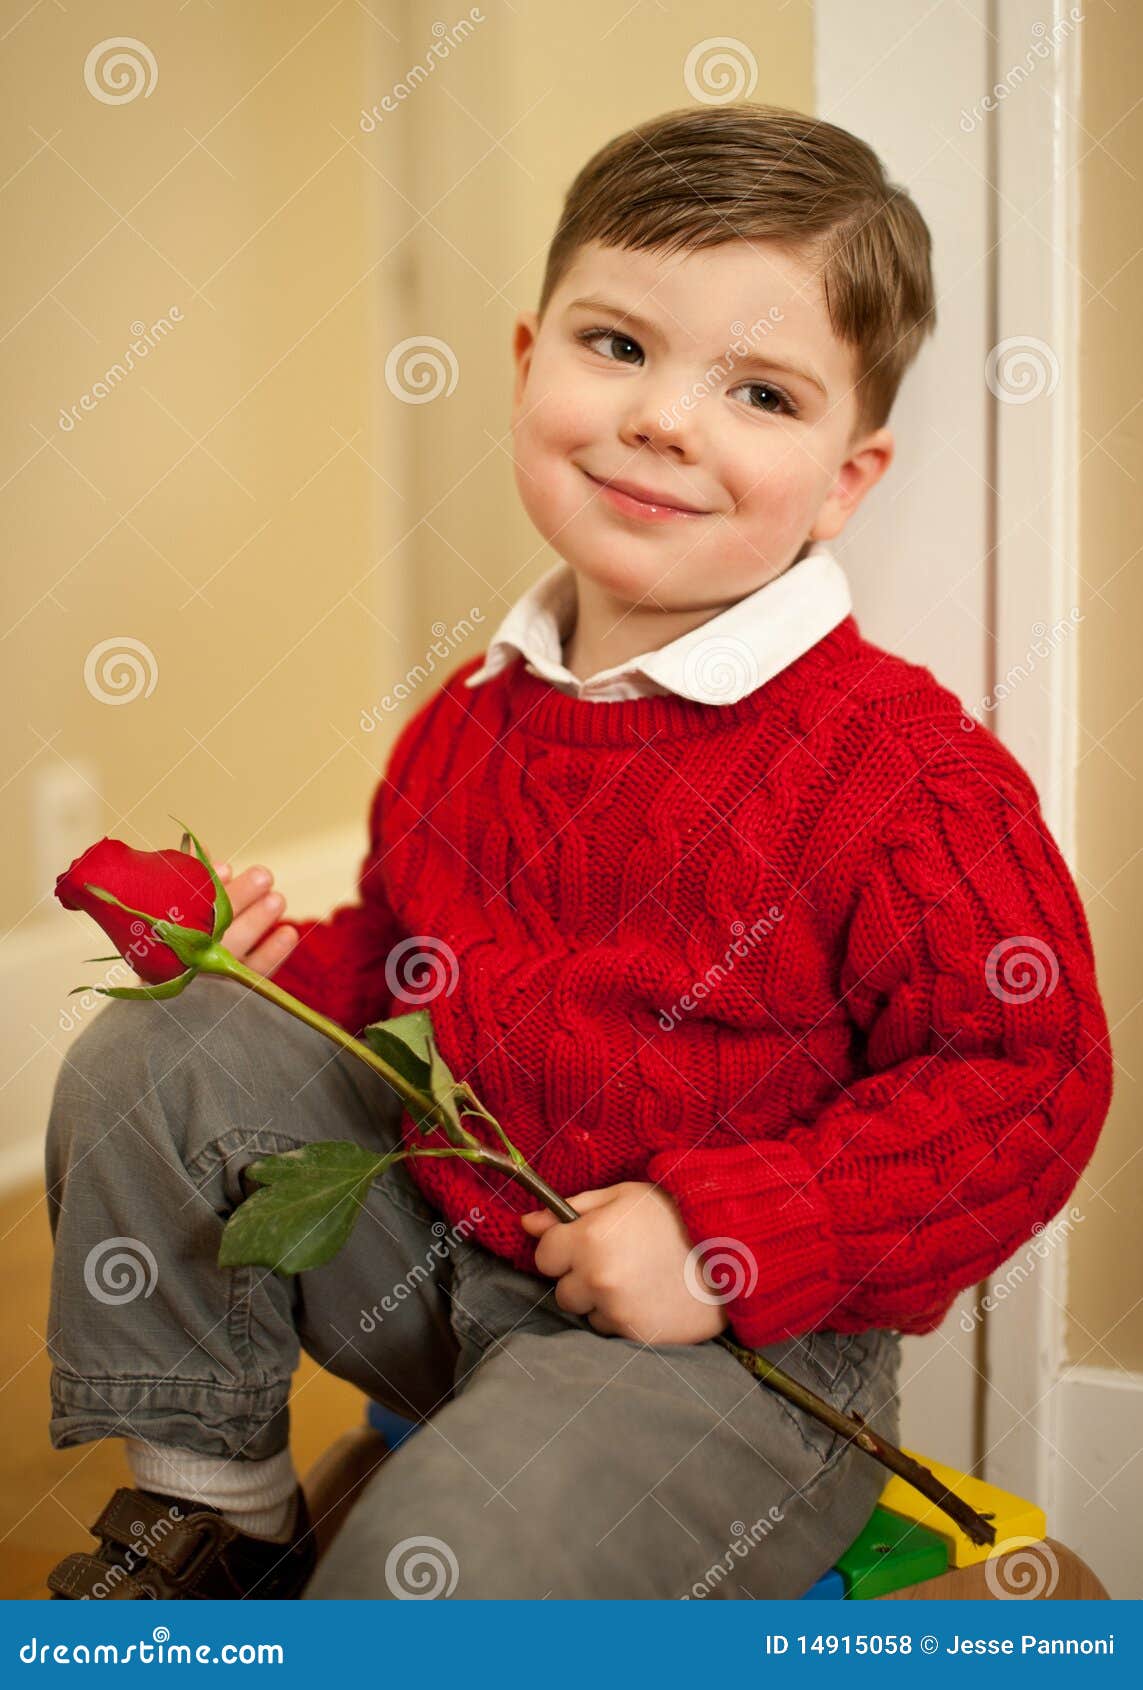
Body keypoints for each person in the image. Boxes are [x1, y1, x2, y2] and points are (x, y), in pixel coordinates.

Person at [43, 103, 1113, 1601]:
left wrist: (724, 1235)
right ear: (527, 356)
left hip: (727, 1366)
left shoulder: (899, 773)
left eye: (757, 390)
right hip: (444, 1261)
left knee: (430, 1569)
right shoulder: (475, 717)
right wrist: (277, 970)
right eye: (619, 346)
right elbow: (429, 963)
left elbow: (1029, 1082)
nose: (665, 418)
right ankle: (220, 1510)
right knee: (159, 1055)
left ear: (847, 477)